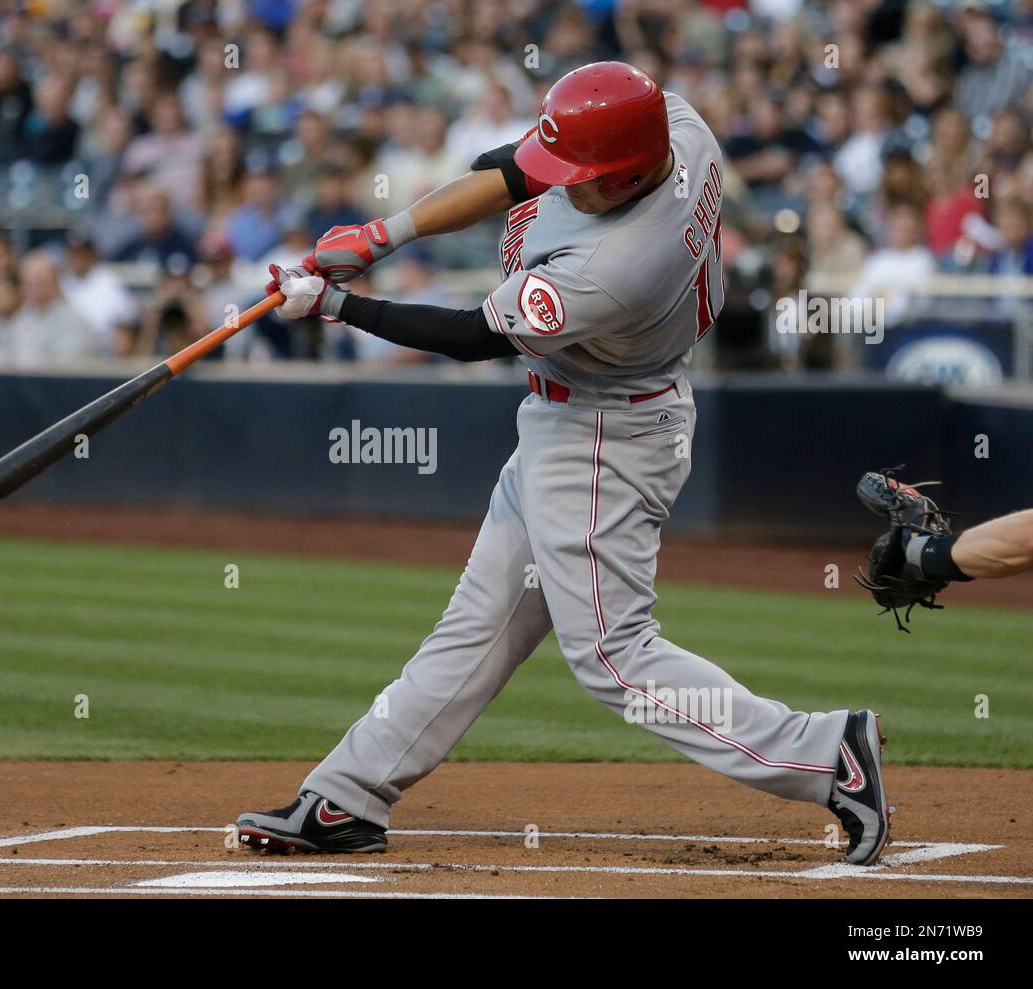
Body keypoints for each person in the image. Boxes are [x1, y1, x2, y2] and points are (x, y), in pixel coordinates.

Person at [235, 63, 891, 866]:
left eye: (580, 178)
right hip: (575, 416)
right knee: (478, 624)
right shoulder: (675, 126)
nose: (559, 185)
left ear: (625, 176)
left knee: (617, 655)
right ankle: (346, 796)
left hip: (603, 438)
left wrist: (336, 306)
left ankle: (830, 755)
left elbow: (473, 336)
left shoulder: (619, 267)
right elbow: (512, 170)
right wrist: (380, 237)